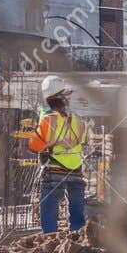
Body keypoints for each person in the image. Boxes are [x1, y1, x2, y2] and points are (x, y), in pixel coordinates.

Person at [26, 74, 88, 234]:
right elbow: (83, 140)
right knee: (77, 209)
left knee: (49, 206)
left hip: (54, 169)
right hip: (76, 170)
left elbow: (34, 146)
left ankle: (50, 238)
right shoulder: (77, 119)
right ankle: (77, 236)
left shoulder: (47, 120)